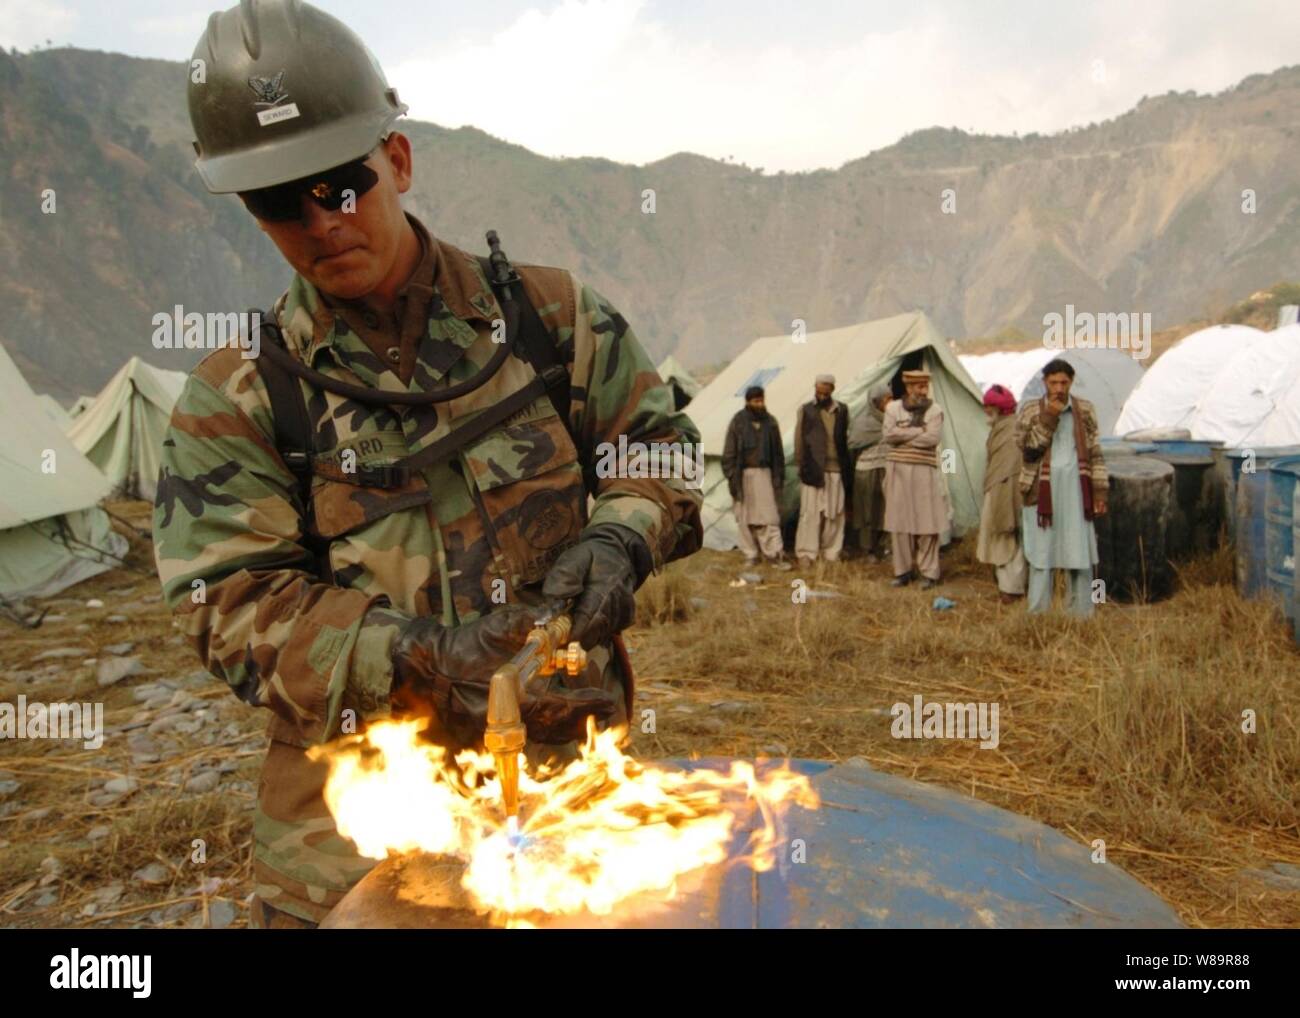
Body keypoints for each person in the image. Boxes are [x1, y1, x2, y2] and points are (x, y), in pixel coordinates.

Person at [153, 0, 702, 928]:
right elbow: (226, 604)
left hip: (570, 793)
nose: (320, 223)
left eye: (338, 186)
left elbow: (662, 454)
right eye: (281, 204)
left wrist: (620, 540)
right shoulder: (241, 395)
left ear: (396, 161)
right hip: (361, 828)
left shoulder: (550, 319)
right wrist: (410, 655)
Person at [1016, 359, 1108, 616]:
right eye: (1053, 382)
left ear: (1071, 382)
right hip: (1040, 493)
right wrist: (1050, 416)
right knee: (1041, 555)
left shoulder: (1085, 410)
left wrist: (1100, 492)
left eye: (1063, 382)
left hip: (1077, 493)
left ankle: (1081, 616)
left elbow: (1095, 453)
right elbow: (1029, 450)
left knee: (1080, 553)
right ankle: (1038, 616)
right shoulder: (1029, 410)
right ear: (1045, 382)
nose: (1058, 387)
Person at [883, 369, 945, 588]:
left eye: (925, 386)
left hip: (924, 469)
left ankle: (929, 572)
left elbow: (933, 438)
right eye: (919, 386)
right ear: (909, 388)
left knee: (927, 522)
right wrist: (918, 431)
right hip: (897, 469)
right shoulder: (893, 408)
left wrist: (905, 435)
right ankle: (903, 571)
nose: (924, 391)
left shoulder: (934, 410)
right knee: (899, 521)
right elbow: (889, 435)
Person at [721, 385, 790, 569]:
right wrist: (731, 474)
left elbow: (778, 454)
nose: (759, 404)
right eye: (756, 401)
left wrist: (778, 477)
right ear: (748, 402)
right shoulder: (738, 421)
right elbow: (729, 452)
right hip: (743, 475)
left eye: (761, 400)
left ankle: (774, 554)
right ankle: (750, 554)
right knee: (745, 518)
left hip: (765, 475)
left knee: (769, 517)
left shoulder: (771, 422)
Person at [793, 374, 851, 567]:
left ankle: (831, 552)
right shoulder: (806, 410)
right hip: (813, 469)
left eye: (826, 390)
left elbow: (845, 439)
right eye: (819, 389)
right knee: (810, 514)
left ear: (832, 390)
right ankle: (807, 553)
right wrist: (802, 467)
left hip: (836, 469)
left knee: (834, 513)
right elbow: (799, 441)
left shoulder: (842, 410)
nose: (822, 393)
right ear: (815, 388)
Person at [976, 384, 1027, 602]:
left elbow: (1014, 462)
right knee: (998, 535)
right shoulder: (999, 428)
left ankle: (1013, 589)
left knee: (1009, 537)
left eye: (989, 407)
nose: (986, 411)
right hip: (997, 487)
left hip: (1009, 489)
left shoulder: (1014, 428)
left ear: (998, 408)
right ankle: (1006, 585)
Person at [848, 383, 892, 562]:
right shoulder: (862, 423)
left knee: (887, 510)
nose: (890, 403)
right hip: (866, 471)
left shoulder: (895, 420)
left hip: (887, 470)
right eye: (886, 399)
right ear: (875, 402)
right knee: (867, 511)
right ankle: (868, 549)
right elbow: (852, 446)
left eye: (891, 398)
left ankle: (886, 546)